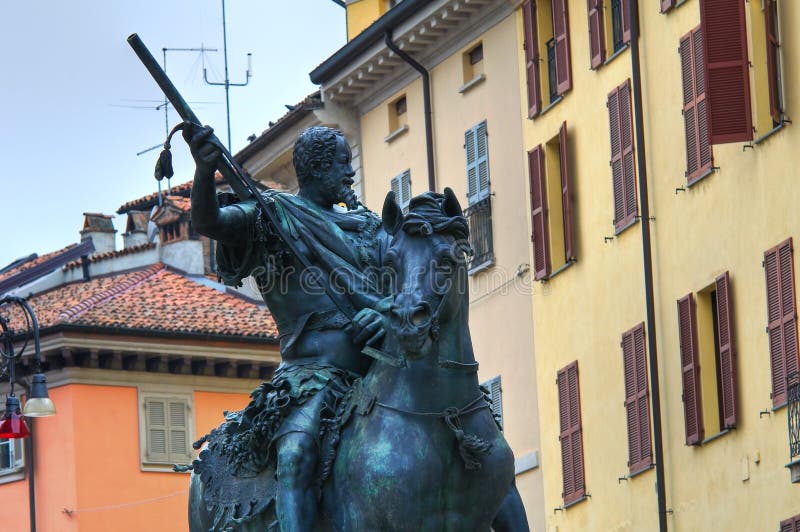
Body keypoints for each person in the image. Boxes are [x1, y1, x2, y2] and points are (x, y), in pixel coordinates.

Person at [188, 124, 389, 531]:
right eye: (341, 164)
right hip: (312, 376)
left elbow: (407, 293)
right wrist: (203, 172)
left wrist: (385, 315)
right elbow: (209, 222)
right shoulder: (274, 215)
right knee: (296, 454)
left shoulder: (371, 228)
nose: (350, 175)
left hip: (385, 367)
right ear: (316, 168)